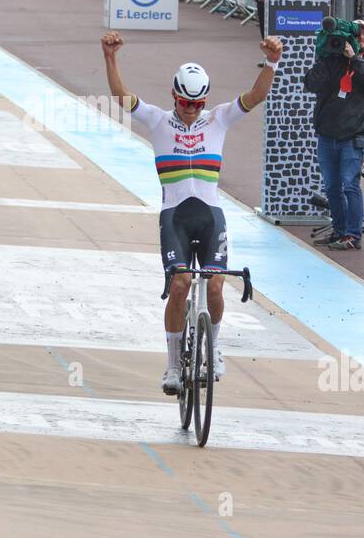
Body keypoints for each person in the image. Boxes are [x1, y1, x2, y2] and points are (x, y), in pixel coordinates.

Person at [101, 31, 285, 395]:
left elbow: (257, 96)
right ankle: (171, 366)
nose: (192, 109)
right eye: (185, 102)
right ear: (174, 96)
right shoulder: (157, 120)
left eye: (198, 103)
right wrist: (110, 57)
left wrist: (272, 61)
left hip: (210, 214)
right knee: (181, 284)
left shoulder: (217, 119)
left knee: (216, 284)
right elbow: (122, 98)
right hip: (175, 217)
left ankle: (213, 351)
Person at [303, 20, 364, 251]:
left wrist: (355, 60)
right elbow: (310, 83)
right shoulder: (331, 60)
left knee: (350, 185)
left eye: (363, 36)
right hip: (327, 135)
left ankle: (353, 235)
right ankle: (339, 231)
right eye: (356, 35)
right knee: (331, 187)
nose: (359, 39)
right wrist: (325, 55)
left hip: (352, 136)